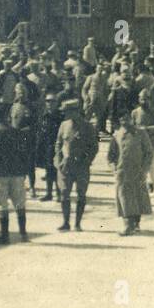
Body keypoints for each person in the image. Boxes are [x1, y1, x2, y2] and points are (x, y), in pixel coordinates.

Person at [0, 107, 32, 245]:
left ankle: (5, 236)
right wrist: (24, 171)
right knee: (20, 203)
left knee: (1, 205)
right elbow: (24, 154)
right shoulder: (17, 133)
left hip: (0, 173)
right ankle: (23, 233)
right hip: (17, 173)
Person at [54, 99, 98, 232]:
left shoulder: (88, 127)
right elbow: (58, 143)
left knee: (81, 195)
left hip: (81, 166)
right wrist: (59, 160)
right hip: (65, 166)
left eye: (67, 112)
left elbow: (94, 147)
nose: (65, 115)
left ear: (75, 111)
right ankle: (66, 222)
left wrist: (86, 161)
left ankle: (77, 223)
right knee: (64, 194)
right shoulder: (64, 125)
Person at [108, 111, 154, 236]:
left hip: (138, 171)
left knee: (137, 196)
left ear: (132, 119)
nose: (124, 120)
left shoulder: (140, 133)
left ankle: (136, 223)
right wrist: (114, 169)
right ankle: (127, 225)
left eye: (127, 118)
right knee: (124, 198)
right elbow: (111, 156)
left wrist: (144, 169)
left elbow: (149, 153)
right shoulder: (117, 135)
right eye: (121, 118)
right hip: (122, 173)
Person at [131, 89, 154, 193]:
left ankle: (151, 182)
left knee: (152, 164)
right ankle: (141, 183)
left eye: (146, 99)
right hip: (139, 142)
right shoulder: (135, 112)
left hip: (151, 142)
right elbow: (132, 126)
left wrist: (148, 129)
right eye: (142, 99)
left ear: (150, 100)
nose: (144, 101)